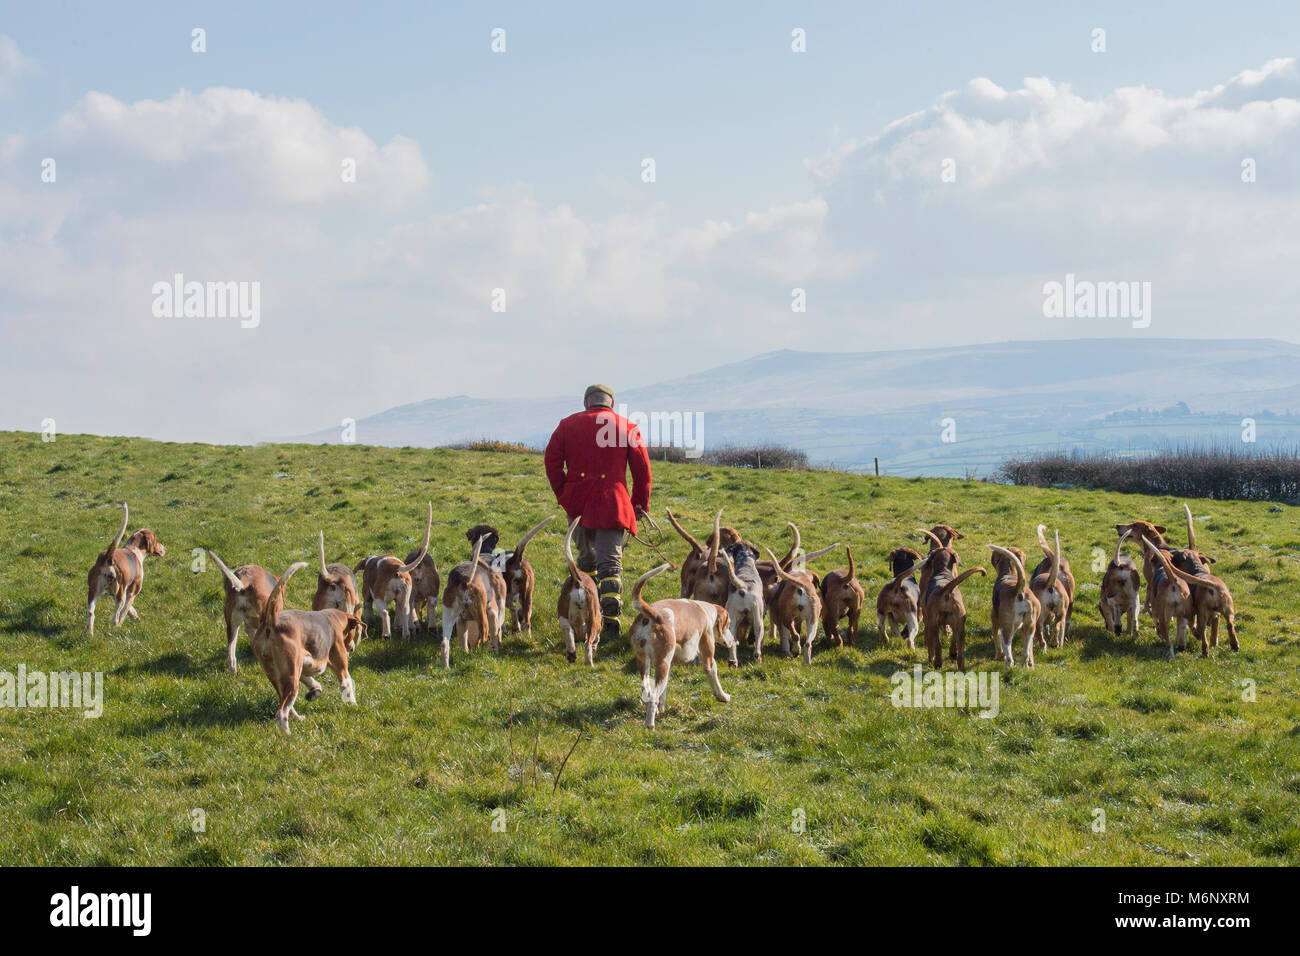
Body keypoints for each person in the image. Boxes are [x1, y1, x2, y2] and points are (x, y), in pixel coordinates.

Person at [544, 384, 652, 642]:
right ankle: (611, 621)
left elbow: (552, 462)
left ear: (586, 403)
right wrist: (638, 505)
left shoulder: (567, 425)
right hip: (614, 503)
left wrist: (564, 494)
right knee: (610, 564)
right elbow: (643, 473)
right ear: (611, 403)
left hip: (578, 503)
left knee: (586, 562)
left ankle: (589, 617)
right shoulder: (627, 427)